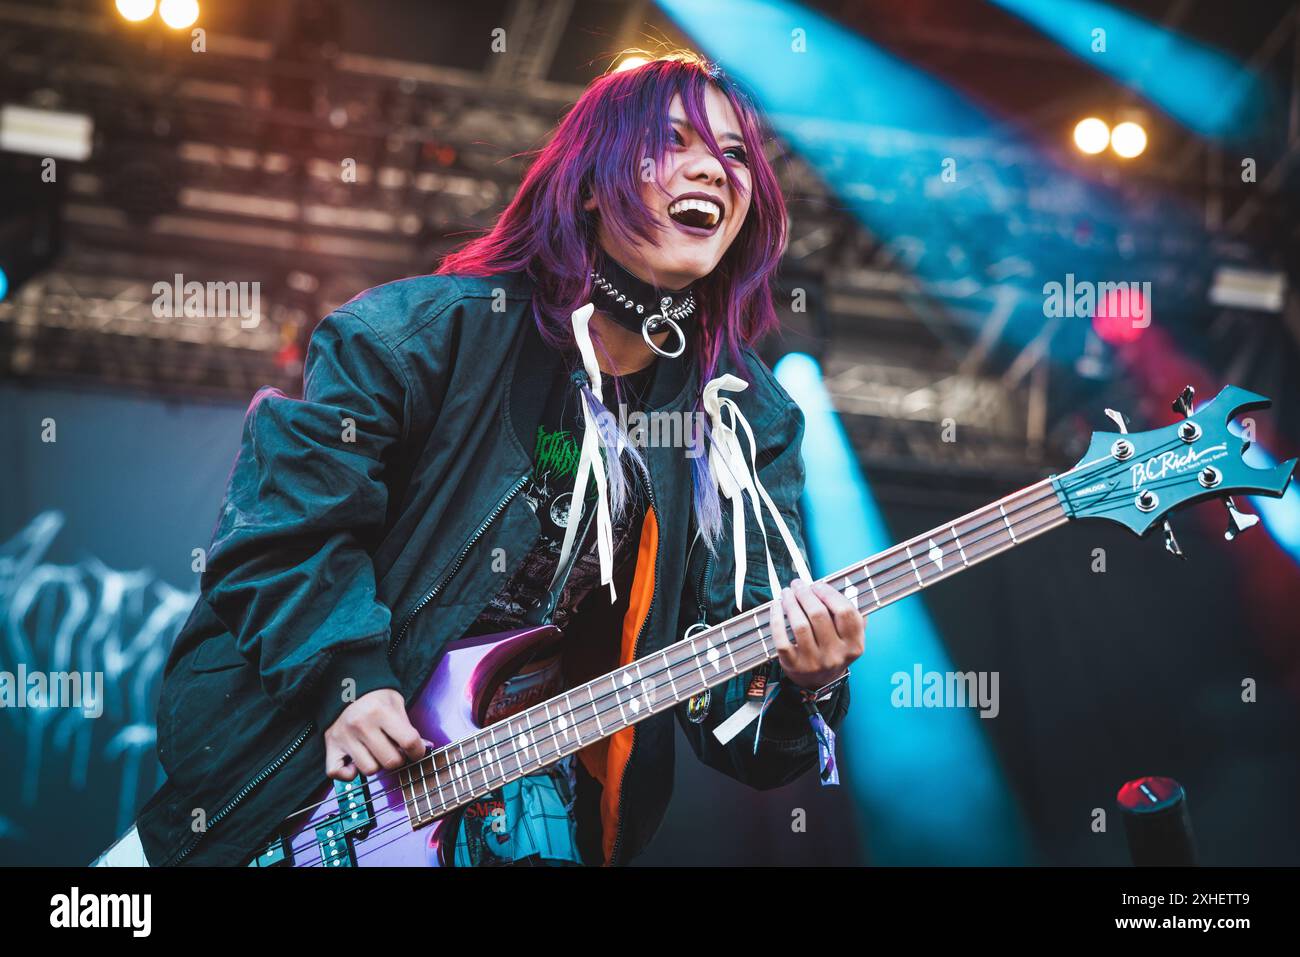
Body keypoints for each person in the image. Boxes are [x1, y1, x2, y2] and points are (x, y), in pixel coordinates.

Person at [95, 50, 864, 868]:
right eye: (673, 141)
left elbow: (740, 728)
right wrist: (348, 681)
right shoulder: (425, 335)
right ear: (595, 183)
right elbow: (282, 527)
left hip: (523, 819)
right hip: (283, 800)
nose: (713, 167)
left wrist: (803, 681)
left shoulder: (744, 421)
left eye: (737, 154)